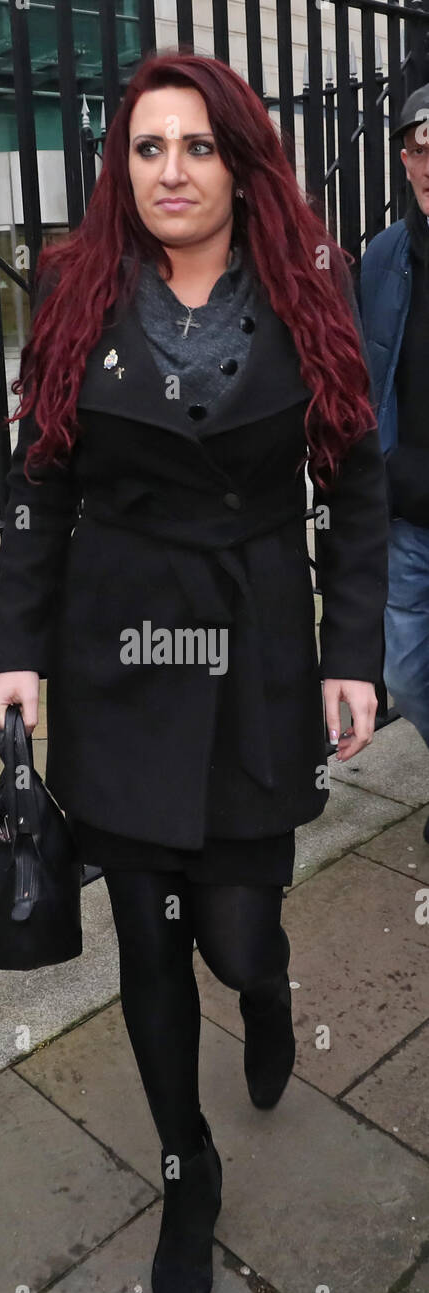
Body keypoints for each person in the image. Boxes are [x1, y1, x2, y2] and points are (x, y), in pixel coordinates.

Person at [0, 50, 389, 1293]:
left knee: (235, 930)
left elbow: (359, 489)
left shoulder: (307, 289)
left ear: (239, 163)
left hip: (256, 646)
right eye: (149, 147)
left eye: (198, 146)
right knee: (148, 945)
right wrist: (17, 652)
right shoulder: (77, 290)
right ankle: (184, 1164)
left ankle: (267, 996)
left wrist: (351, 656)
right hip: (120, 658)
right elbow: (42, 491)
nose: (172, 169)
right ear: (125, 168)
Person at [358, 83, 429, 843]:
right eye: (420, 144)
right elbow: (358, 376)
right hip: (408, 513)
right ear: (405, 158)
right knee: (407, 674)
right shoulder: (383, 259)